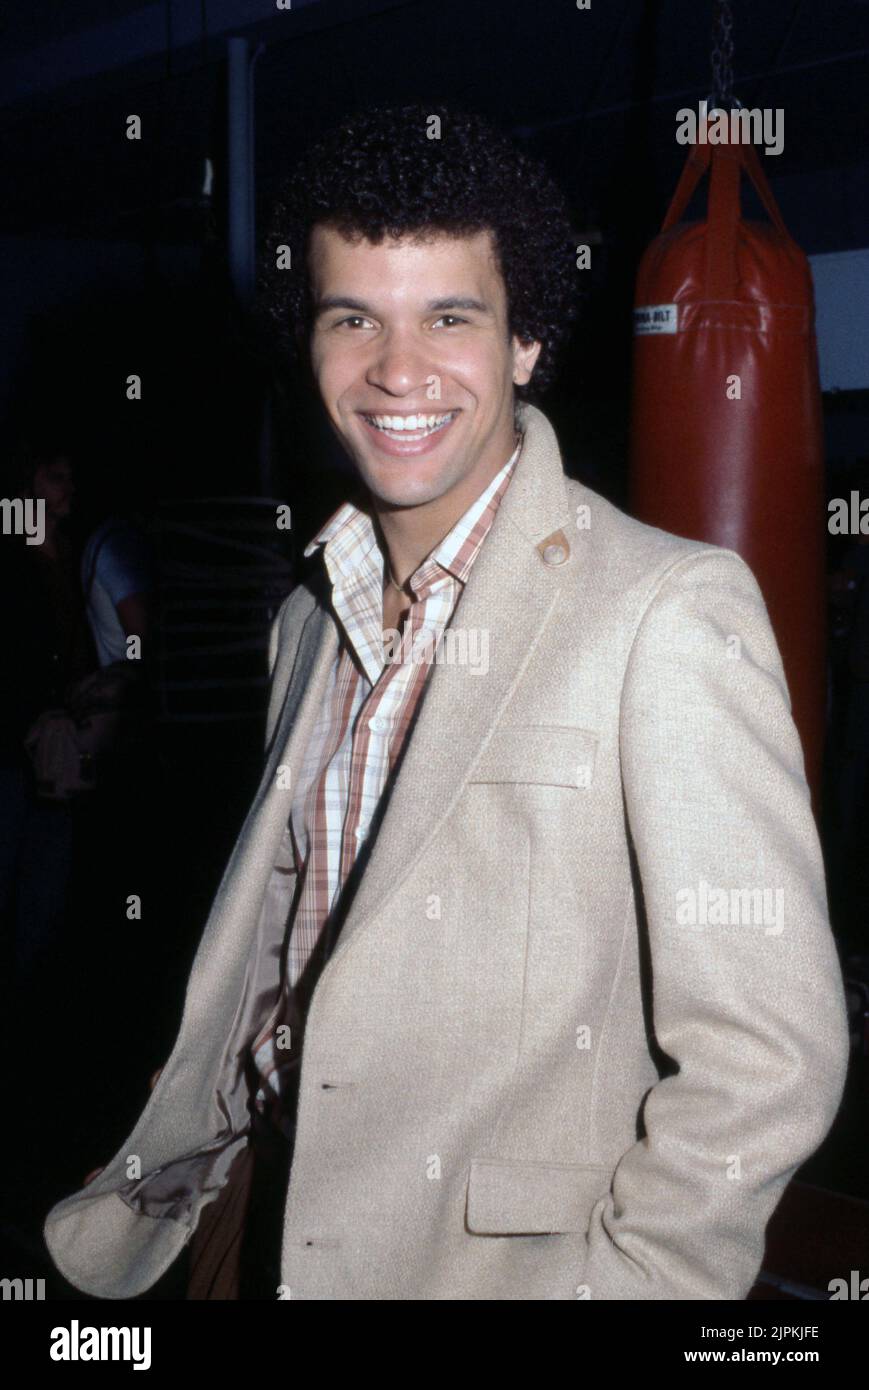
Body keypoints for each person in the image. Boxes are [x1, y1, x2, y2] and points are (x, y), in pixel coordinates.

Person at [46, 104, 849, 1301]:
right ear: (306, 342)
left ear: (526, 343)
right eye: (353, 317)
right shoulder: (308, 619)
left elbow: (770, 1057)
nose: (397, 369)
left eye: (450, 318)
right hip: (243, 1218)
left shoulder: (665, 612)